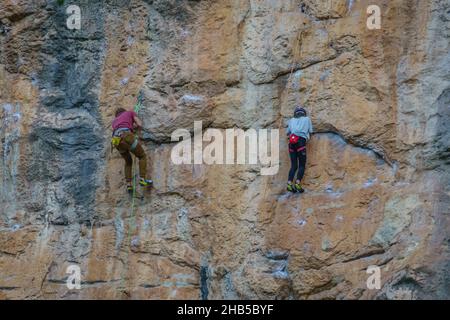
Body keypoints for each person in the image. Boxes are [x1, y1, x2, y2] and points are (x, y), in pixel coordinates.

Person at [111, 107, 153, 192]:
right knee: (142, 156)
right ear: (124, 111)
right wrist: (134, 126)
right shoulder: (130, 112)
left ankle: (129, 185)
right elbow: (139, 124)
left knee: (128, 162)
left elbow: (121, 127)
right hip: (126, 136)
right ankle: (142, 179)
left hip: (116, 141)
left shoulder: (114, 121)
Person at [286, 106, 313, 193]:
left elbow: (287, 132)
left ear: (295, 113)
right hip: (301, 142)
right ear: (303, 113)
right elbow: (311, 131)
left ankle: (289, 183)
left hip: (291, 142)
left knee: (294, 165)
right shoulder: (307, 119)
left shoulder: (291, 120)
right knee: (302, 165)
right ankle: (297, 183)